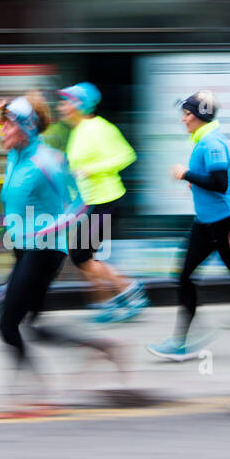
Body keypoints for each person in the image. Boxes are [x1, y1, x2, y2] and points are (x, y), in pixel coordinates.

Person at [0, 93, 129, 413]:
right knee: (32, 326)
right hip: (24, 249)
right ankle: (101, 346)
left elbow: (78, 203)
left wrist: (47, 229)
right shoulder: (15, 155)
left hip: (43, 250)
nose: (0, 131)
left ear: (25, 127)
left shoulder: (47, 161)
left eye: (6, 124)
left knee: (7, 324)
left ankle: (35, 393)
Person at [147, 90, 230, 360]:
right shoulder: (207, 139)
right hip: (206, 223)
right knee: (183, 276)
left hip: (224, 224)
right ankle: (183, 342)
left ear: (199, 116)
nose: (183, 119)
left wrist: (186, 174)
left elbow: (221, 183)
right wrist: (196, 181)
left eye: (186, 114)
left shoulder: (211, 142)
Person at [56, 82, 147, 322]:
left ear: (78, 105)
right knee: (84, 256)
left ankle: (128, 289)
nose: (61, 107)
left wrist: (91, 170)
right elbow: (75, 167)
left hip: (105, 201)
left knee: (81, 256)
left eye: (65, 102)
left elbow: (127, 155)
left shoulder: (99, 128)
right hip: (89, 203)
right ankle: (106, 303)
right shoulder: (78, 131)